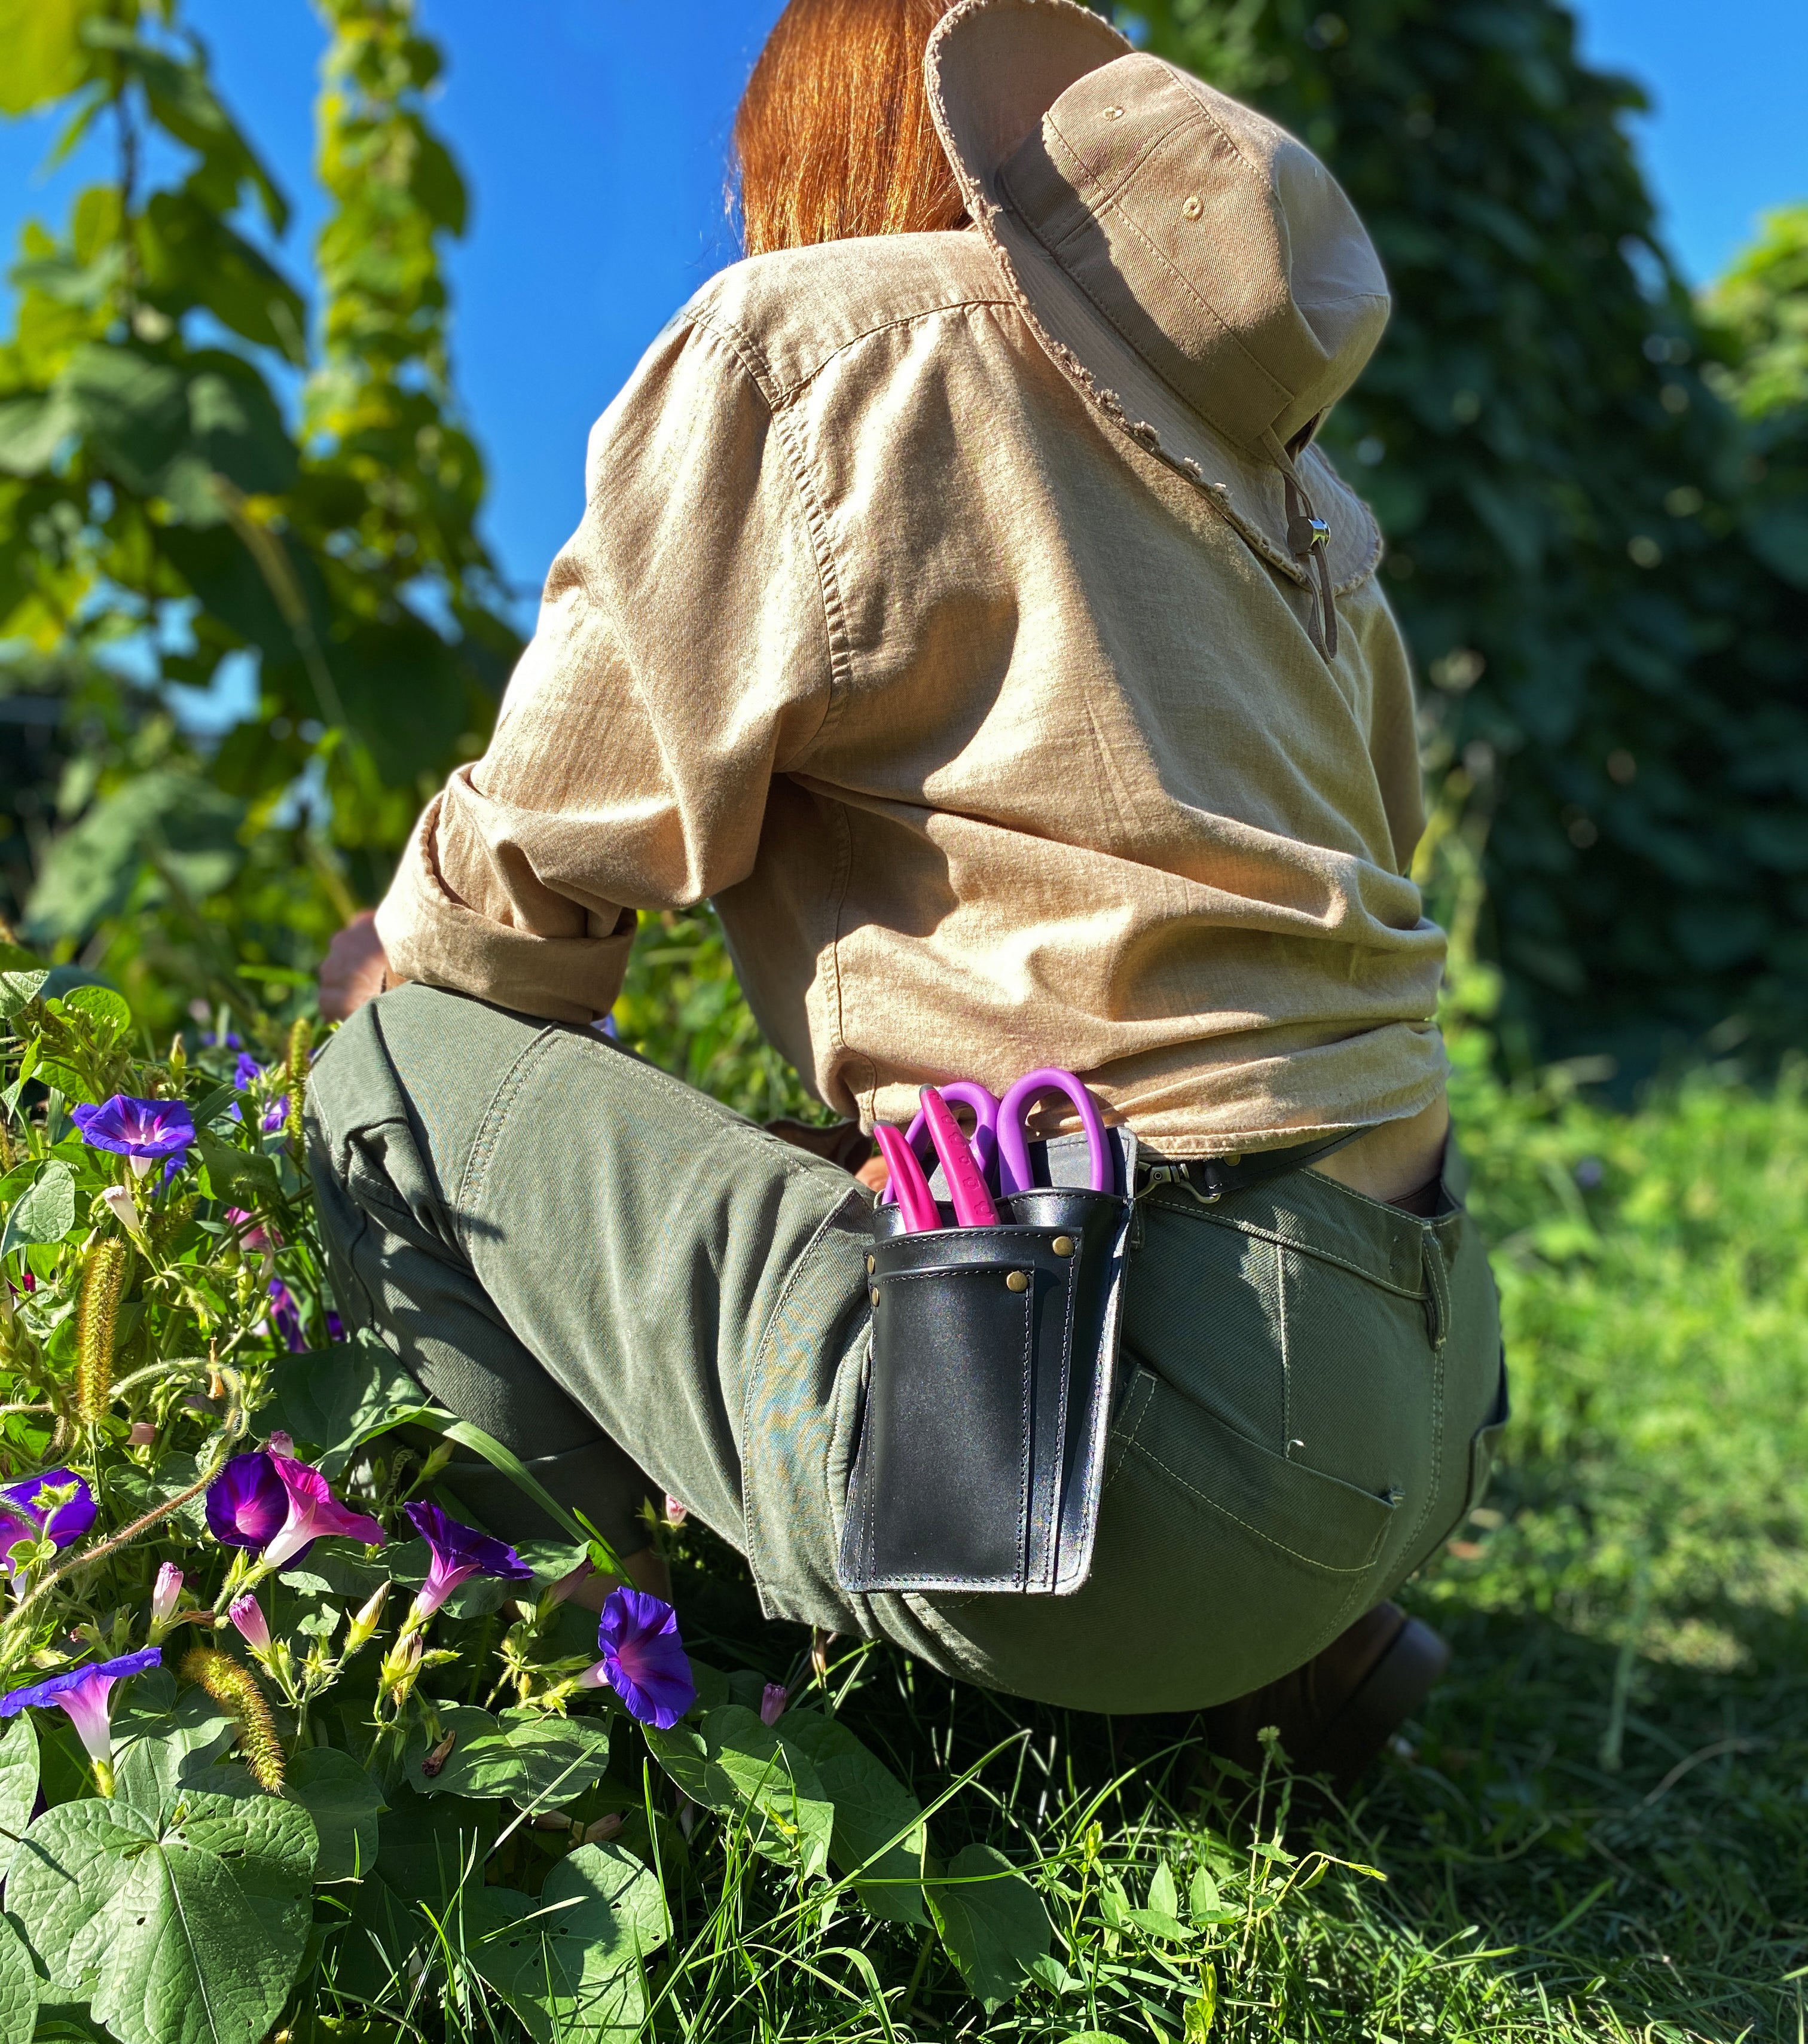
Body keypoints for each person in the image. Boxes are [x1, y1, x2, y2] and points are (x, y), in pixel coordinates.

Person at [307, 0, 1504, 1787]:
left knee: (388, 1089)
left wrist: (381, 976)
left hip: (1117, 1434)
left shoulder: (810, 357)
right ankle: (1285, 1661)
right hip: (1430, 1362)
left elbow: (521, 900)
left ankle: (588, 1744)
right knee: (898, 1161)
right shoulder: (1304, 496)